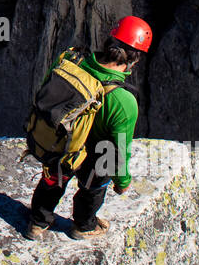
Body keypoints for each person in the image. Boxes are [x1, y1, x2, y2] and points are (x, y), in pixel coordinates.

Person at [24, 15, 152, 240]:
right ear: (135, 59)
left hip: (62, 142)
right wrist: (122, 181)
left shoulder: (72, 59)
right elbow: (120, 148)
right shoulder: (123, 100)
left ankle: (37, 222)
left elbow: (47, 92)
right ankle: (84, 226)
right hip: (95, 155)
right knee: (93, 188)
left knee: (53, 179)